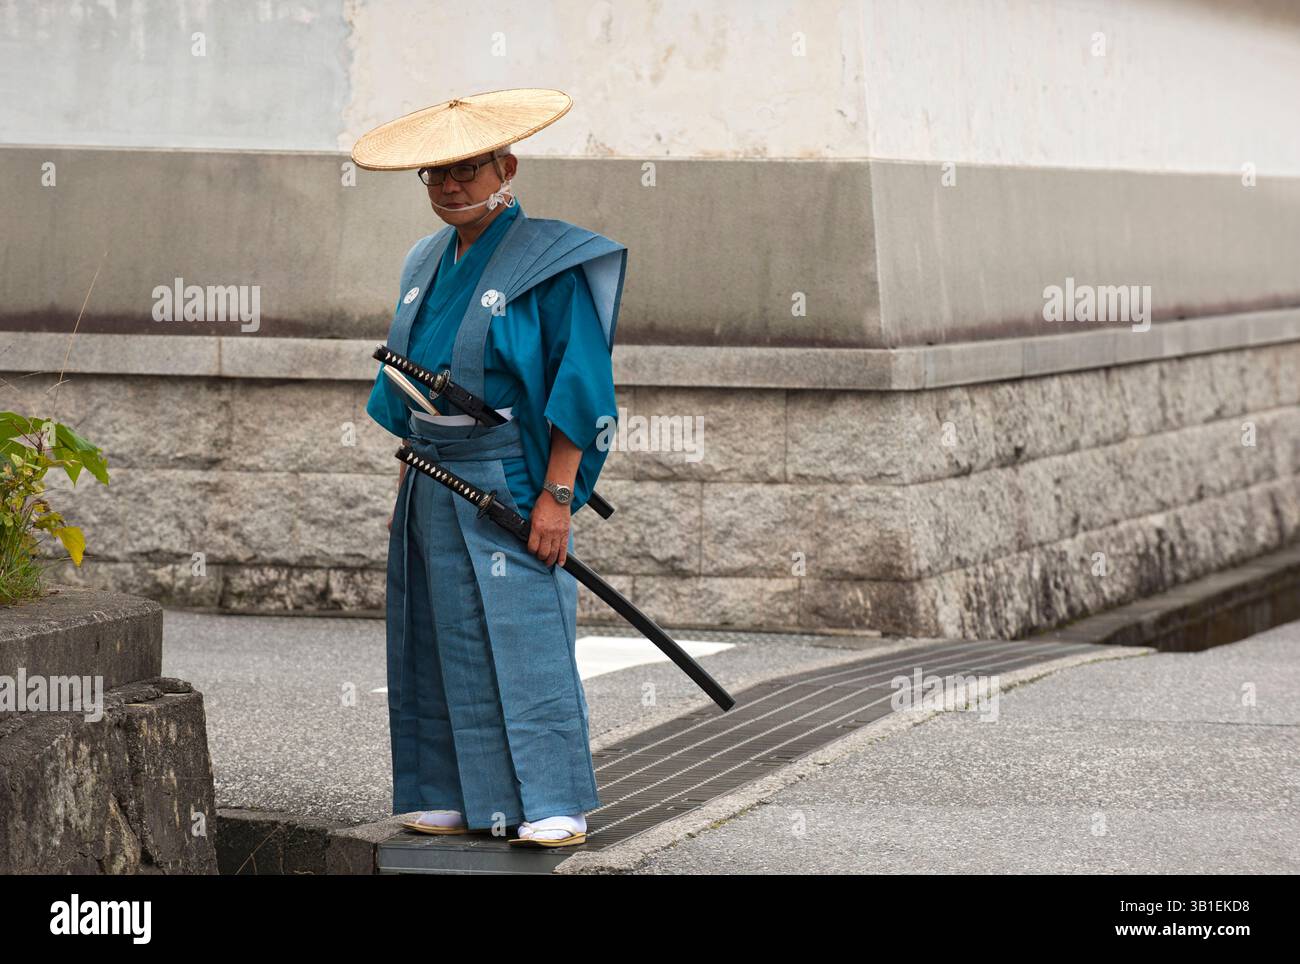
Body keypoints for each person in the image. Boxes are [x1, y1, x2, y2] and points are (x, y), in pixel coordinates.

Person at [353, 89, 627, 848]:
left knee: (525, 632)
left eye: (465, 169)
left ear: (506, 166)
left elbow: (581, 384)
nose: (449, 185)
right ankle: (448, 793)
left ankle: (553, 799)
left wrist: (558, 497)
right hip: (431, 472)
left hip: (508, 474)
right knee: (436, 634)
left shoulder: (552, 261)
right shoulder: (422, 260)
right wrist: (402, 484)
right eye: (435, 173)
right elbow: (404, 387)